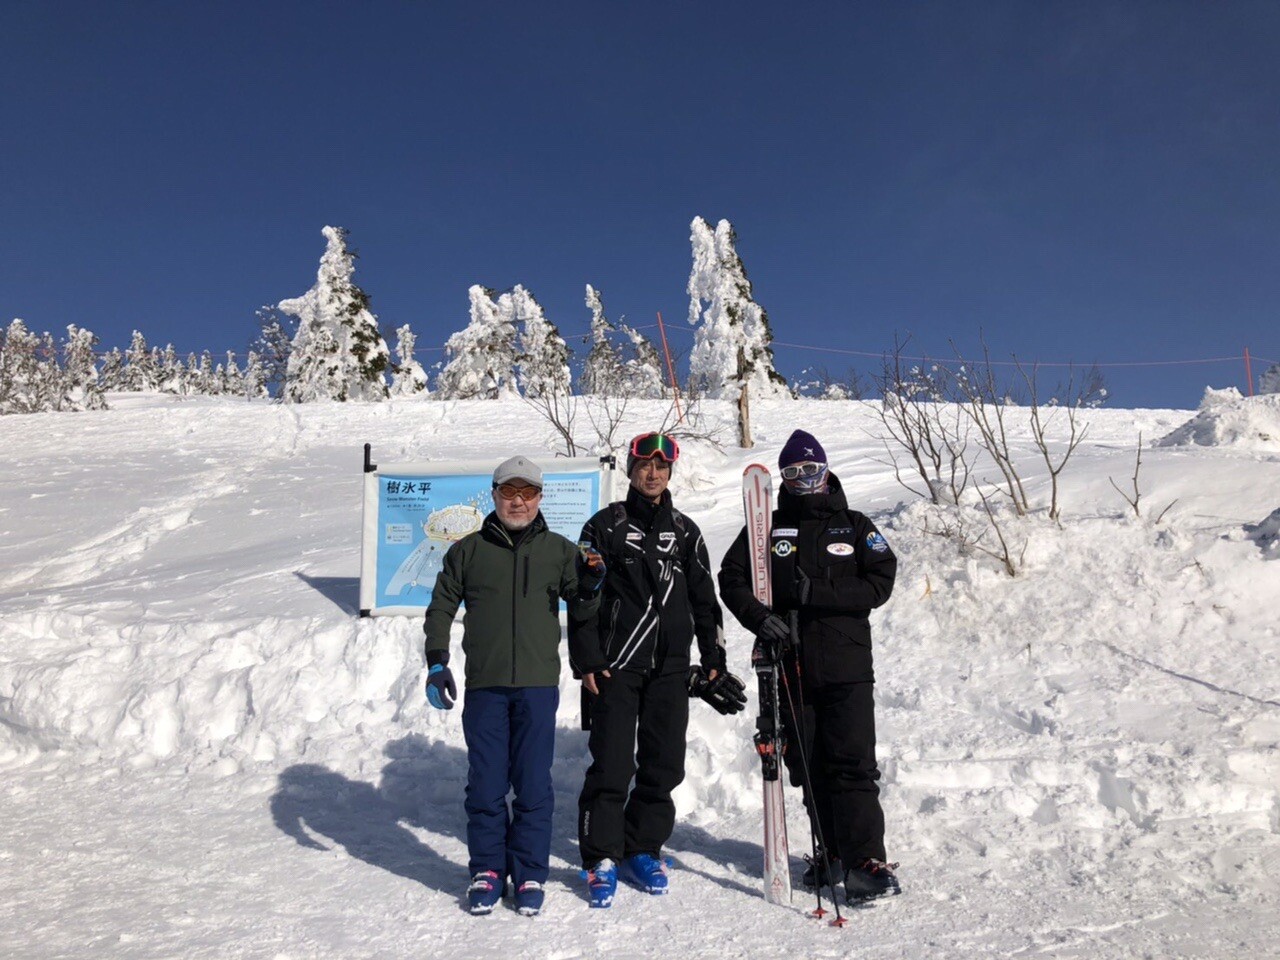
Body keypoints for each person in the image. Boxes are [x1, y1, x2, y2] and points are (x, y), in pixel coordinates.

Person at [718, 429, 900, 902]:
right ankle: (831, 851)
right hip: (790, 664)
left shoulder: (855, 526)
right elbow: (731, 577)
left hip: (847, 667)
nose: (804, 480)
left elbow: (879, 583)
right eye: (794, 473)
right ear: (783, 478)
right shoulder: (767, 529)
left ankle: (865, 861)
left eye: (811, 470)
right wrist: (760, 618)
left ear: (826, 470)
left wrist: (813, 593)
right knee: (808, 762)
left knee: (853, 764)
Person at [569, 432, 745, 908]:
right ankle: (601, 857)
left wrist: (713, 661)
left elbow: (705, 603)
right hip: (615, 667)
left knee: (663, 764)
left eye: (661, 467)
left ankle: (642, 849)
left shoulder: (685, 532)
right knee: (611, 763)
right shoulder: (603, 527)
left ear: (670, 473)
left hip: (669, 668)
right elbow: (583, 598)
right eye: (645, 465)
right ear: (631, 470)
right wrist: (586, 658)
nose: (653, 474)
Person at [423, 455, 602, 917]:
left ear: (540, 498)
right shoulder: (467, 551)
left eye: (527, 493)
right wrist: (436, 661)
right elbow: (441, 606)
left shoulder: (560, 551)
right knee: (484, 785)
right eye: (509, 492)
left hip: (537, 687)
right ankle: (486, 869)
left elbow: (581, 609)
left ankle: (528, 874)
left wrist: (592, 584)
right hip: (485, 687)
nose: (517, 501)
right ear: (494, 494)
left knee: (532, 786)